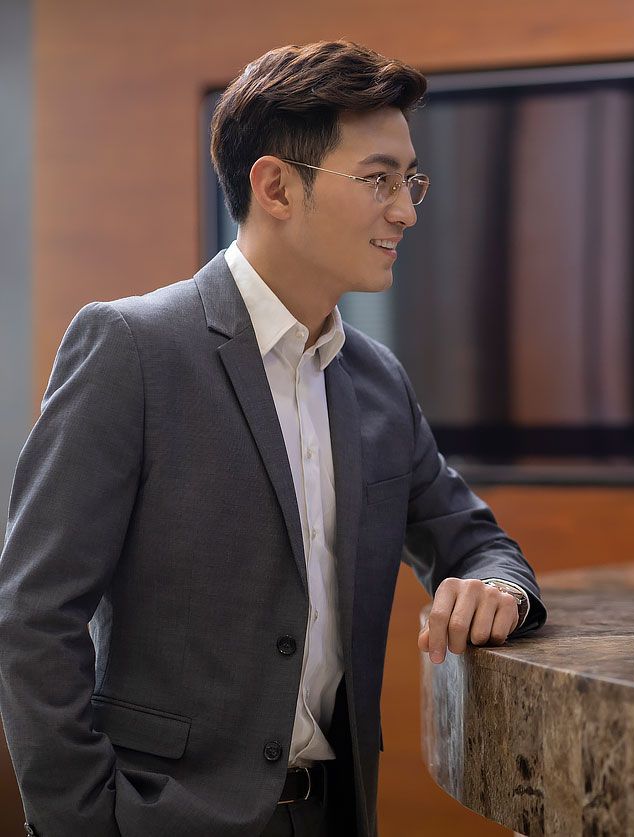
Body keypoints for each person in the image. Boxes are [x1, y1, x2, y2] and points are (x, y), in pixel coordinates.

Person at [0, 41, 545, 837]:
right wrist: (84, 822)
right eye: (378, 179)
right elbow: (34, 613)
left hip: (334, 813)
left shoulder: (375, 379)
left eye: (409, 180)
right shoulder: (132, 348)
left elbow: (479, 543)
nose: (406, 210)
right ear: (275, 185)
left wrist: (496, 588)